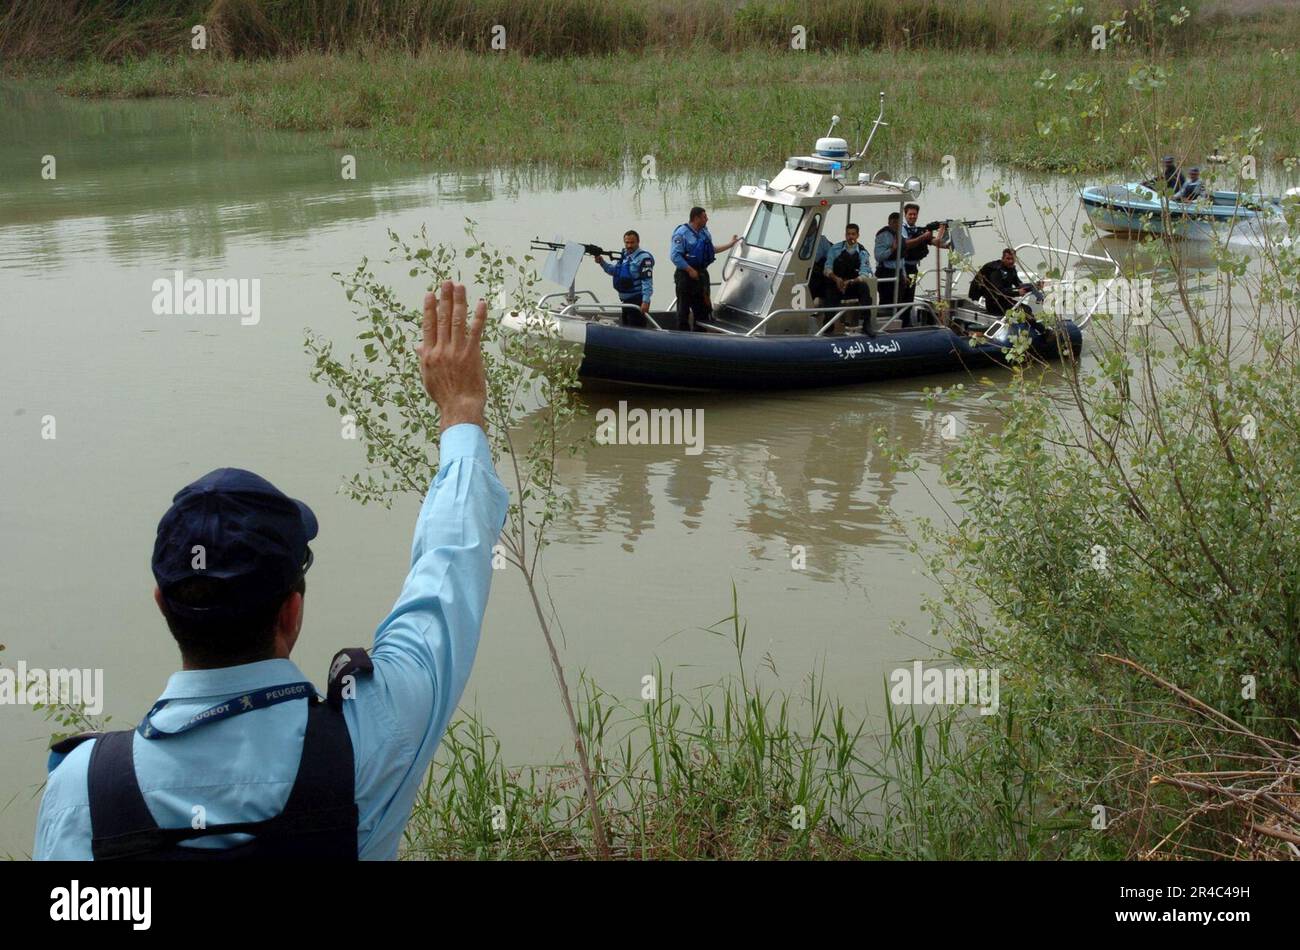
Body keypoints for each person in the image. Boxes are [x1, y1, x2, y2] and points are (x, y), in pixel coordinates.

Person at [34, 281, 510, 861]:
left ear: (163, 603)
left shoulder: (84, 790)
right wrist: (460, 414)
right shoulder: (372, 738)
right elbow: (447, 576)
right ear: (292, 610)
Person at [670, 206, 739, 332]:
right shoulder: (681, 233)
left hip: (701, 275)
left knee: (703, 308)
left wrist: (730, 244)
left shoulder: (704, 232)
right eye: (704, 217)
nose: (707, 219)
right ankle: (682, 336)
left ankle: (700, 335)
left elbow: (711, 250)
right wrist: (690, 270)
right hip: (685, 276)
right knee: (683, 309)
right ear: (696, 218)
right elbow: (675, 256)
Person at [594, 230, 654, 328]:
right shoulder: (624, 256)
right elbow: (615, 271)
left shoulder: (644, 258)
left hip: (637, 301)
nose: (629, 245)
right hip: (625, 302)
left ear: (638, 242)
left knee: (636, 330)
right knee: (626, 328)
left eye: (632, 242)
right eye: (627, 242)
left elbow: (647, 281)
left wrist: (646, 301)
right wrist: (602, 262)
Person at [822, 224, 873, 333]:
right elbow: (827, 268)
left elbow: (864, 273)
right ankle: (827, 327)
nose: (851, 237)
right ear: (845, 235)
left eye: (853, 234)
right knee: (829, 294)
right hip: (836, 284)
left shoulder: (863, 252)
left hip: (851, 284)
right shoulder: (835, 249)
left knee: (864, 288)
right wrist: (836, 279)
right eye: (848, 234)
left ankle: (866, 323)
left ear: (858, 235)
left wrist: (852, 281)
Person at [970, 248, 1044, 319]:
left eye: (1012, 259)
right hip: (994, 304)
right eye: (1008, 259)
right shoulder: (996, 270)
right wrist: (1017, 293)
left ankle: (1038, 330)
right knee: (1025, 311)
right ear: (1002, 258)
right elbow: (998, 291)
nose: (1010, 261)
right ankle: (1044, 331)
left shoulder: (1011, 270)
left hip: (1004, 301)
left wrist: (1034, 285)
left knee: (1027, 309)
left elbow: (1019, 285)